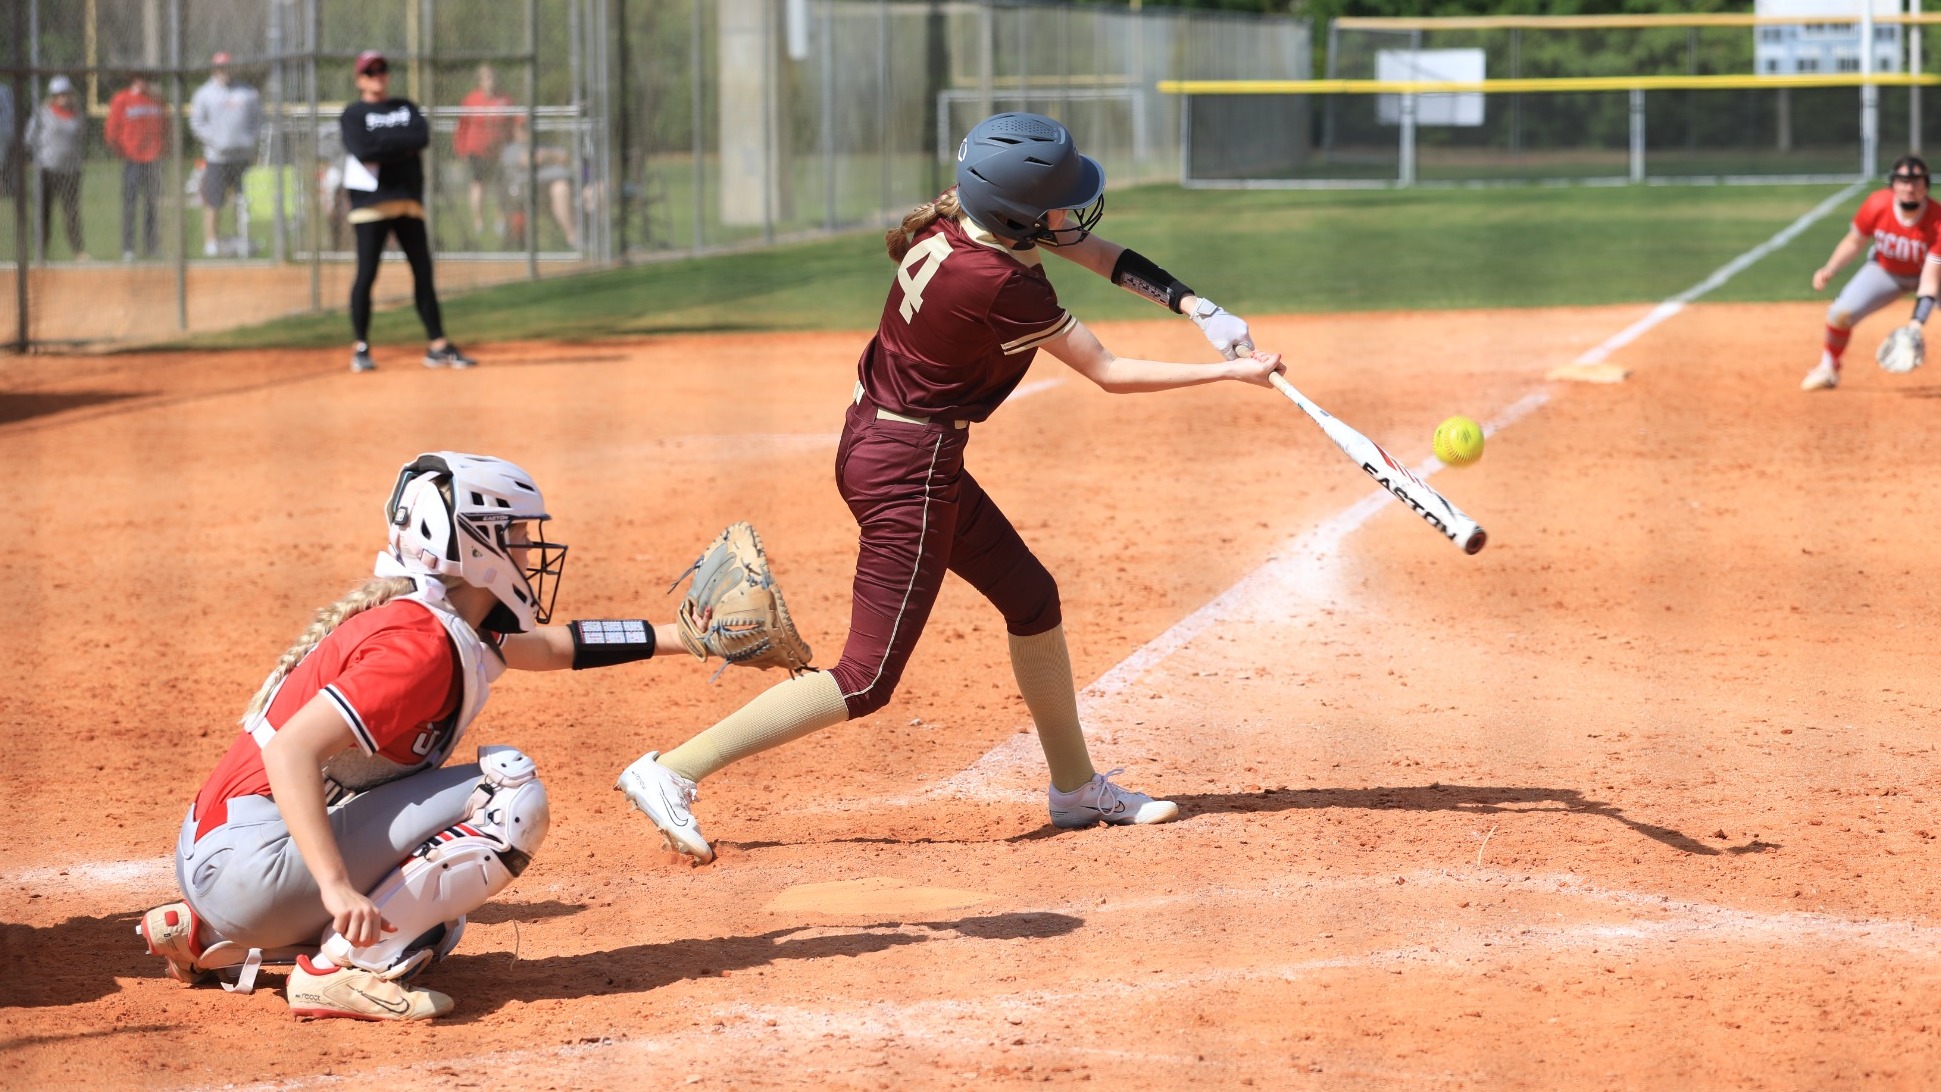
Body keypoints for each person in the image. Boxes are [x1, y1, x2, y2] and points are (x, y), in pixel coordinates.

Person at [616, 112, 1280, 864]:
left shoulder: (960, 222)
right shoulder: (998, 283)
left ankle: (1072, 787)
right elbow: (1107, 372)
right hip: (910, 470)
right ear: (1018, 210)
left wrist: (1194, 305)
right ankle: (670, 769)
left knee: (1031, 599)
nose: (1071, 209)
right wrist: (1228, 371)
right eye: (1057, 198)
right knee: (865, 680)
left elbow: (1087, 247)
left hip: (887, 442)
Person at [134, 451, 703, 1020]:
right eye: (519, 533)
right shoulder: (420, 647)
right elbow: (290, 751)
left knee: (434, 919)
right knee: (508, 795)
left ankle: (205, 936)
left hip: (229, 862)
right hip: (250, 864)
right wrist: (335, 888)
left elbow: (558, 646)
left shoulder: (435, 621)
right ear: (477, 544)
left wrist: (688, 636)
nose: (531, 550)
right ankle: (335, 973)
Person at [341, 50, 477, 373]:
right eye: (370, 71)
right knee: (366, 274)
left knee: (423, 273)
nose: (378, 75)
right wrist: (400, 146)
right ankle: (361, 347)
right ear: (360, 78)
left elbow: (421, 136)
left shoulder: (405, 107)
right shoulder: (354, 113)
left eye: (382, 69)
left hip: (408, 201)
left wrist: (386, 144)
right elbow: (362, 148)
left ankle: (438, 346)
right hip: (370, 205)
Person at [1801, 155, 1941, 391]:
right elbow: (1855, 241)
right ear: (1893, 184)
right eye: (1903, 181)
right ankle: (1828, 368)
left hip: (1931, 275)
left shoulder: (1937, 220)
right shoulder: (1877, 204)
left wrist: (1916, 324)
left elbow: (1930, 280)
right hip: (1887, 271)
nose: (1910, 187)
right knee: (1839, 314)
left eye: (1916, 181)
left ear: (1926, 185)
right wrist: (1830, 268)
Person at [190, 52, 263, 258]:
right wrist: (215, 140)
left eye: (227, 67)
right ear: (214, 69)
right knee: (213, 200)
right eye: (220, 68)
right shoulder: (204, 93)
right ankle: (211, 242)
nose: (224, 72)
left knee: (243, 201)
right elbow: (197, 123)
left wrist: (251, 139)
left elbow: (259, 119)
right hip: (217, 158)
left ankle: (242, 239)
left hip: (242, 157)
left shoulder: (247, 92)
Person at [106, 74, 168, 261]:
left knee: (152, 205)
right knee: (130, 204)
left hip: (153, 160)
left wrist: (162, 149)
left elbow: (165, 127)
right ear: (133, 79)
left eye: (147, 78)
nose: (144, 81)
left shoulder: (156, 100)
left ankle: (152, 246)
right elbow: (112, 129)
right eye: (140, 77)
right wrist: (119, 151)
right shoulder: (122, 99)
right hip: (132, 159)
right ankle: (128, 248)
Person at [453, 64, 518, 240]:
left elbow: (515, 122)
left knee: (500, 185)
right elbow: (462, 126)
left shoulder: (505, 99)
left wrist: (514, 144)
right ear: (480, 81)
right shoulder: (471, 99)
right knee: (478, 183)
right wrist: (461, 149)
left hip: (500, 151)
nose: (491, 81)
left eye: (493, 77)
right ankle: (478, 220)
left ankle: (500, 218)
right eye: (486, 77)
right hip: (477, 149)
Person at [25, 76, 87, 262]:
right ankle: (41, 252)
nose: (63, 98)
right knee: (44, 213)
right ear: (52, 96)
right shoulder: (43, 113)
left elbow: (82, 136)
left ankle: (78, 251)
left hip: (70, 171)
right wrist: (38, 156)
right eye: (59, 94)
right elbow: (29, 138)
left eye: (66, 93)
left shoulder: (77, 114)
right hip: (47, 169)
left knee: (71, 213)